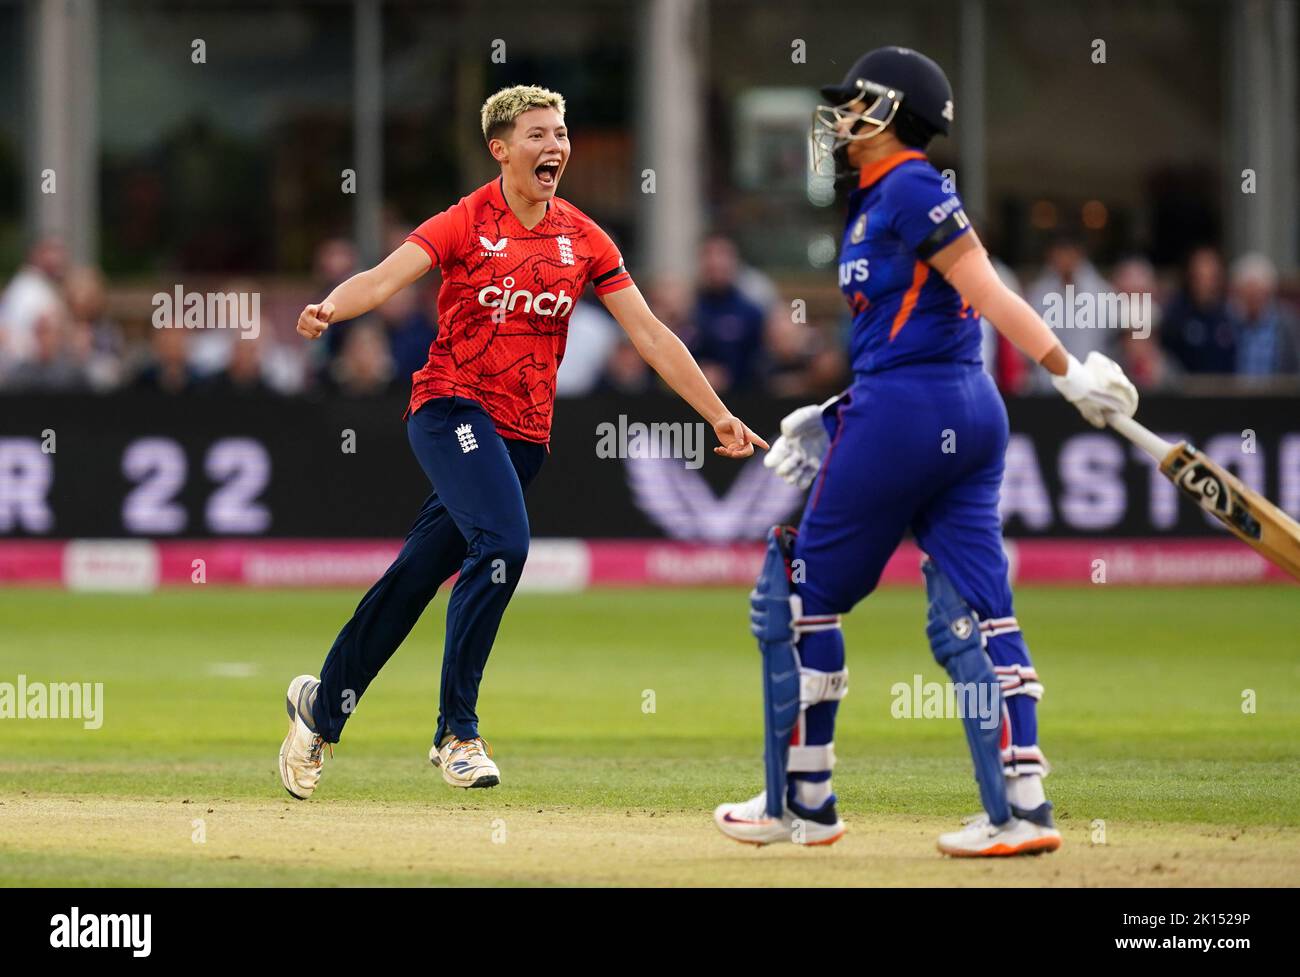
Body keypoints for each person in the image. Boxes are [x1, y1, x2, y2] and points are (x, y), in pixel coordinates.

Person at [279, 85, 767, 799]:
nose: (556, 147)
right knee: (504, 545)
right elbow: (386, 277)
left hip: (525, 436)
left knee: (416, 576)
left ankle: (321, 707)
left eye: (561, 134)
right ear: (500, 148)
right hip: (450, 410)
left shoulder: (584, 237)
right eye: (538, 135)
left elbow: (652, 335)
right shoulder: (464, 221)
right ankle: (457, 733)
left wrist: (716, 413)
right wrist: (332, 308)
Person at [712, 47, 1138, 857]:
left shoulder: (908, 186)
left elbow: (985, 291)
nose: (836, 121)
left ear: (887, 112)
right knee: (978, 610)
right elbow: (924, 326)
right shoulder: (878, 199)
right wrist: (841, 408)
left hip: (910, 410)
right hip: (959, 408)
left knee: (794, 596)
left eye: (851, 106)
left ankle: (800, 802)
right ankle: (1022, 809)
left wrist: (1068, 370)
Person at [1160, 246, 1236, 374]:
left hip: (1226, 389)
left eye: (1211, 275)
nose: (1205, 281)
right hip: (1185, 390)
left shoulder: (1231, 314)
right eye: (1200, 274)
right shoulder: (1176, 315)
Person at [1228, 253, 1300, 380]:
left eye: (1258, 291)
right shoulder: (1228, 321)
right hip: (1235, 396)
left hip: (1279, 396)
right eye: (1247, 292)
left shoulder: (1288, 323)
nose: (1253, 297)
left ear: (1269, 291)